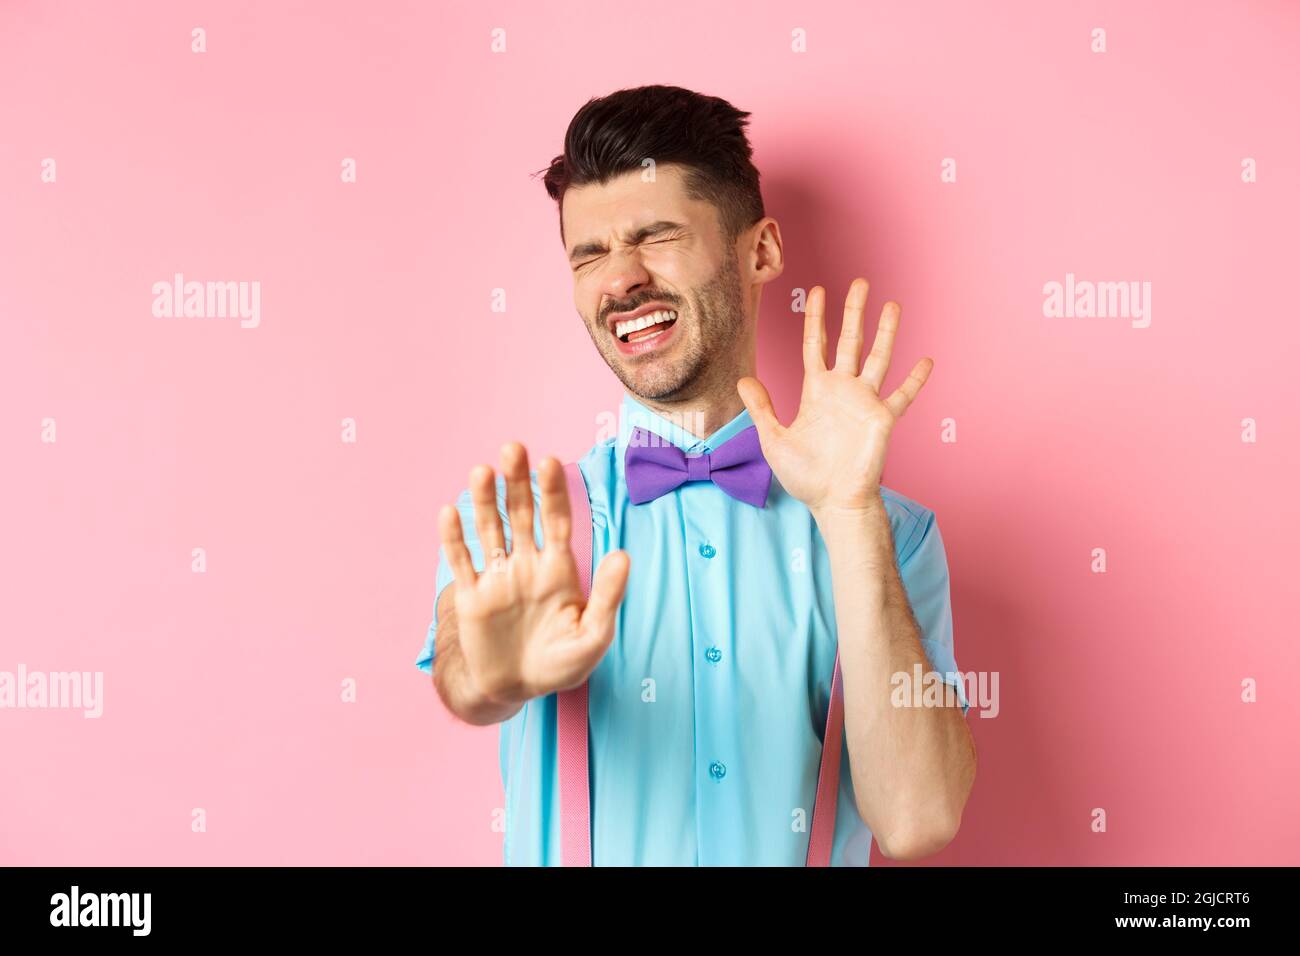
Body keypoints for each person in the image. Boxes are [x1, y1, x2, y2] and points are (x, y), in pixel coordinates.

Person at [416, 84, 976, 865]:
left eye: (655, 235)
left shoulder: (894, 535)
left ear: (762, 251)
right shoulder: (529, 523)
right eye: (590, 254)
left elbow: (917, 820)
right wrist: (491, 678)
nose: (620, 280)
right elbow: (464, 673)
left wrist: (850, 517)